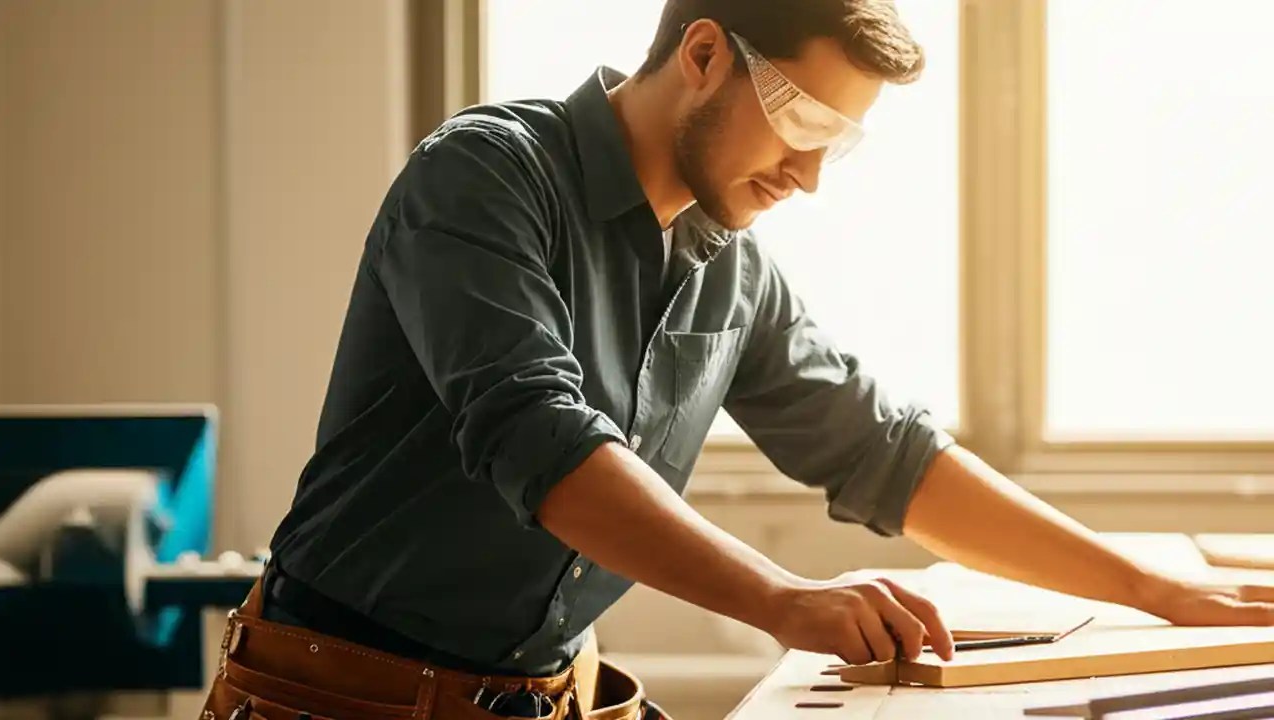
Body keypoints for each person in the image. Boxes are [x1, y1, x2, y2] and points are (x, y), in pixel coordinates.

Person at [201, 1, 1274, 718]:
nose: (809, 174)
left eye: (838, 141)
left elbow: (882, 454)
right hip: (338, 695)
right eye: (801, 119)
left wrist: (1148, 589)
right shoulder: (486, 176)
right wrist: (781, 598)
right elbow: (538, 438)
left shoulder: (728, 268)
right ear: (704, 53)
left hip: (542, 695)